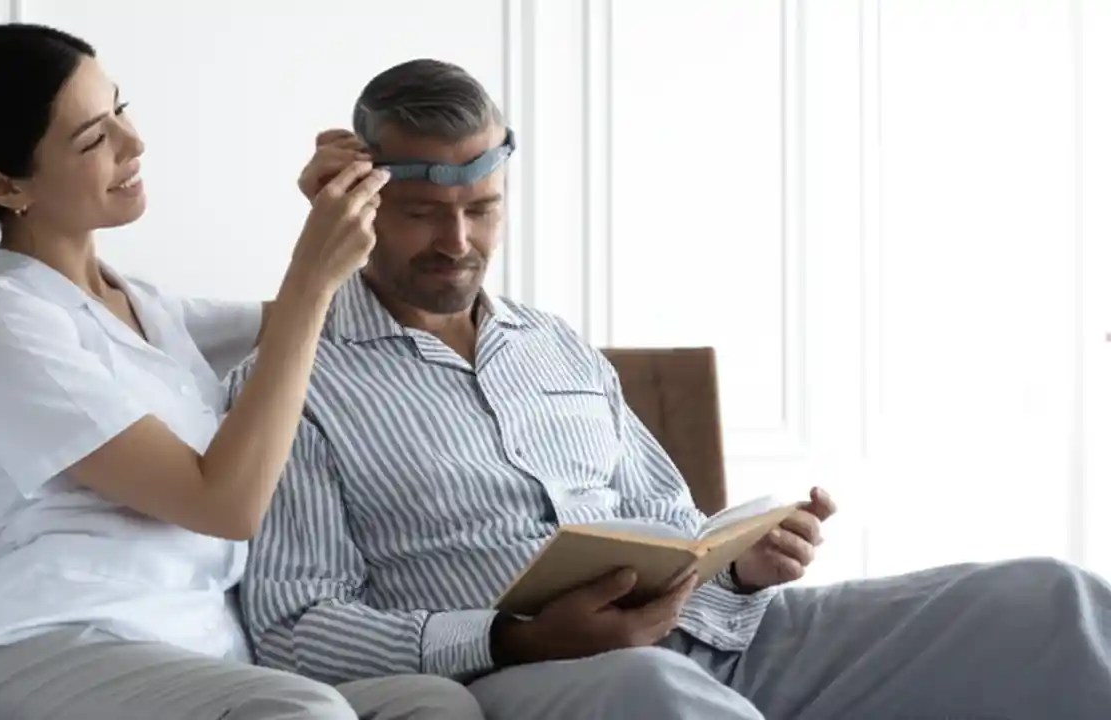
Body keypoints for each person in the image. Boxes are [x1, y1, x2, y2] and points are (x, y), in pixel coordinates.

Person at [235, 58, 1111, 719]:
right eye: (424, 212)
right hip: (543, 679)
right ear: (362, 199)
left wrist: (738, 567)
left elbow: (676, 531)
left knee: (1047, 600)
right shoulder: (292, 382)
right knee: (656, 692)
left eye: (484, 208)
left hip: (716, 646)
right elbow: (296, 624)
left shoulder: (556, 348)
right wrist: (516, 637)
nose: (458, 241)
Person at [0, 24, 482, 720]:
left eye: (120, 107)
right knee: (307, 715)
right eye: (92, 139)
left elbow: (329, 316)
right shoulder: (0, 323)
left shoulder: (141, 305)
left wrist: (361, 199)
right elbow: (224, 505)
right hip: (57, 644)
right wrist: (308, 278)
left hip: (194, 649)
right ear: (5, 185)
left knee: (432, 705)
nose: (133, 143)